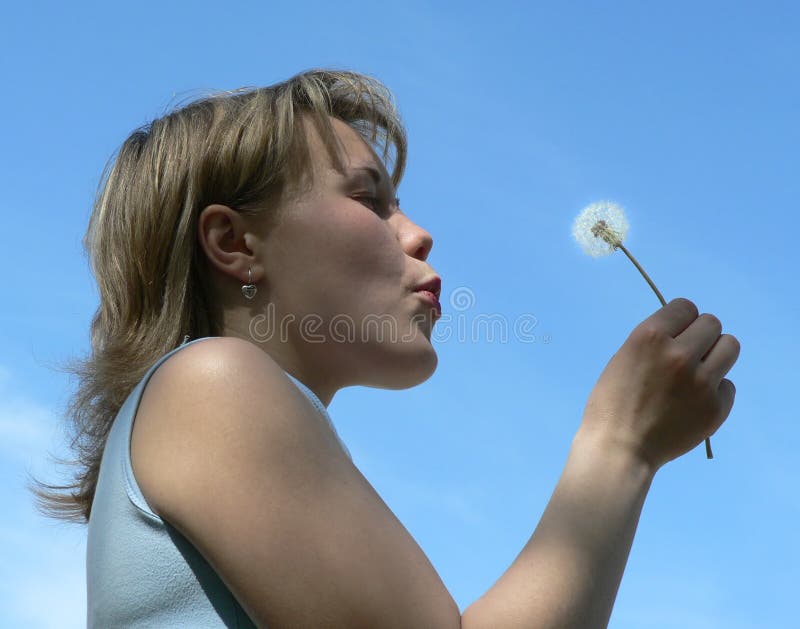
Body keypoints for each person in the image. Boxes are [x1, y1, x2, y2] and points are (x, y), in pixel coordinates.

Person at [30, 69, 740, 628]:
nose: (419, 232)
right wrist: (620, 443)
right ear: (235, 244)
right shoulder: (208, 384)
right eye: (371, 200)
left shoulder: (211, 412)